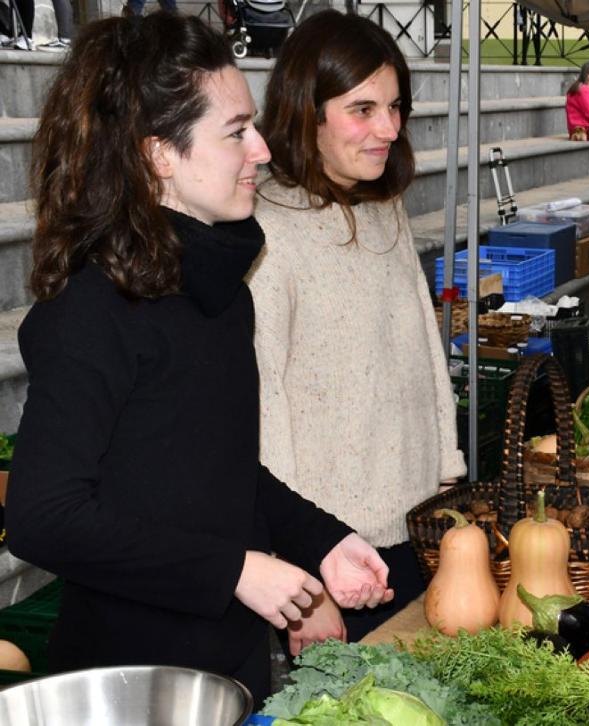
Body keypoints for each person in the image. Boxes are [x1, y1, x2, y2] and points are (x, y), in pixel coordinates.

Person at [5, 14, 393, 703]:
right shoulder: (90, 313)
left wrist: (320, 538)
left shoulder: (217, 291)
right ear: (159, 154)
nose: (264, 150)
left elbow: (213, 470)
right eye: (237, 130)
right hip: (129, 684)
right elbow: (45, 516)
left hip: (224, 671)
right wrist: (234, 570)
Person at [249, 10, 466, 651]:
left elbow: (423, 346)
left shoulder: (384, 207)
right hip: (332, 551)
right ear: (304, 111)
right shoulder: (266, 228)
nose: (389, 129)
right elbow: (262, 409)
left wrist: (446, 464)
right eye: (363, 109)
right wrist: (304, 576)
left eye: (395, 107)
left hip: (414, 524)